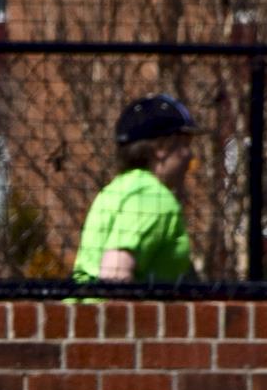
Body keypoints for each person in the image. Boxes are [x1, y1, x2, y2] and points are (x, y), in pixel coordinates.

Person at [72, 94, 197, 288]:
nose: (190, 155)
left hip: (83, 315)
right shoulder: (153, 197)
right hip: (110, 317)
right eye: (185, 145)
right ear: (161, 147)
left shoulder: (116, 189)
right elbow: (115, 278)